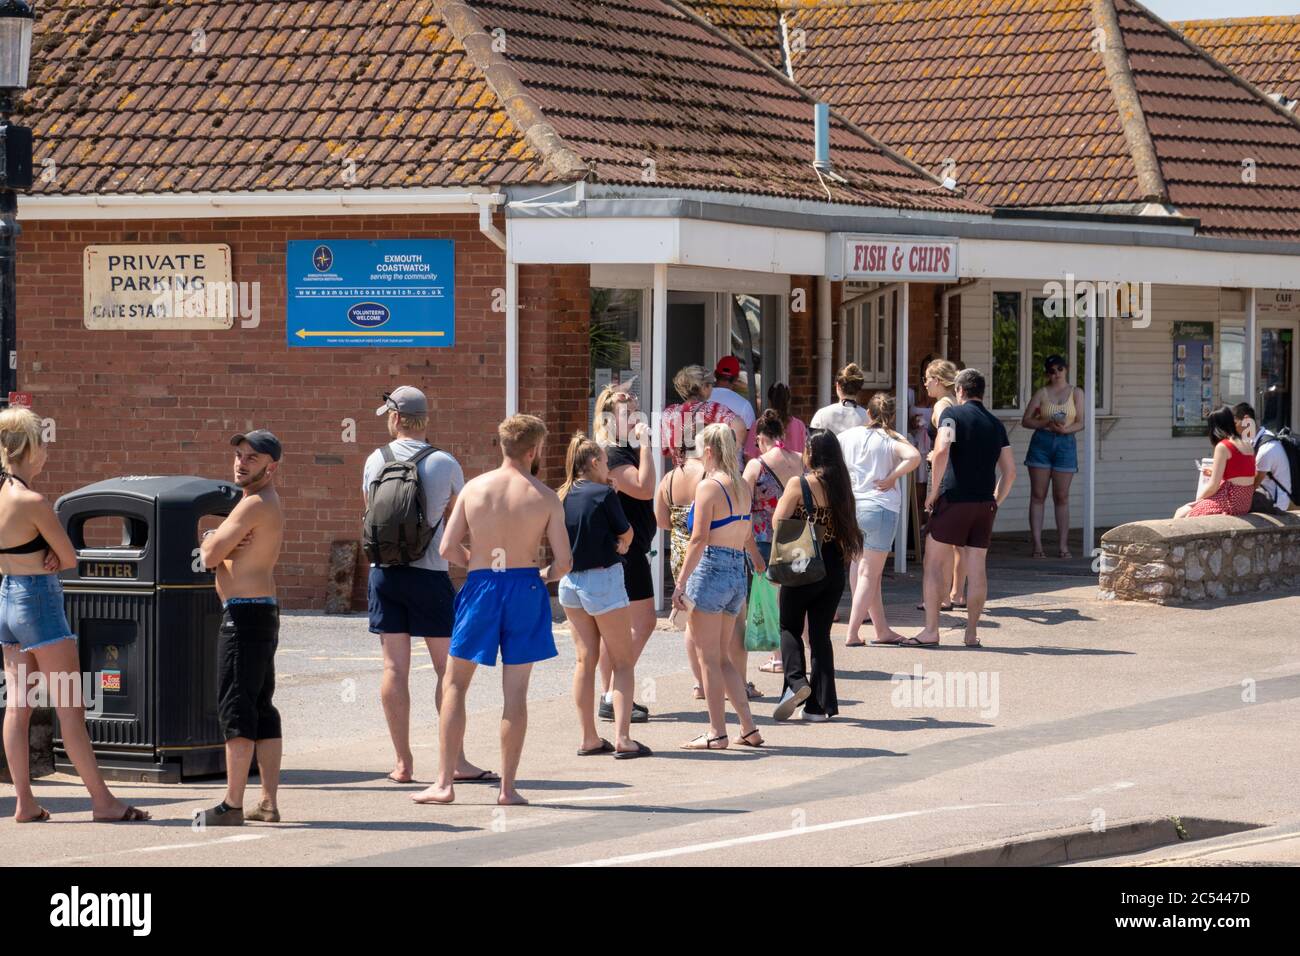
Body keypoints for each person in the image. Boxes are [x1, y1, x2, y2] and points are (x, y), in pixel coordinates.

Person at [0, 408, 150, 825]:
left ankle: (25, 802)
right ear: (27, 449)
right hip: (39, 601)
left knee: (18, 707)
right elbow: (68, 556)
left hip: (7, 598)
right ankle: (103, 802)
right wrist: (50, 554)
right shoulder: (32, 500)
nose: (46, 452)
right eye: (42, 444)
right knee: (71, 708)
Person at [412, 415, 572, 807]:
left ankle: (444, 783)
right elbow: (564, 563)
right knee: (515, 693)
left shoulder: (474, 489)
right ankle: (508, 788)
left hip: (483, 584)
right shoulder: (545, 496)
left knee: (454, 685)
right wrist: (541, 576)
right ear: (534, 450)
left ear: (502, 446)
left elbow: (447, 549)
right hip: (525, 586)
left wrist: (481, 564)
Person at [363, 387, 492, 785]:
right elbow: (465, 519)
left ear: (396, 418)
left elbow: (369, 512)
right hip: (430, 575)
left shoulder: (374, 460)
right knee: (447, 671)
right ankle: (456, 762)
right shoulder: (444, 462)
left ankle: (403, 763)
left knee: (393, 668)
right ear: (424, 419)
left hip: (384, 573)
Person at [198, 430, 286, 826]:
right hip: (260, 612)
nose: (241, 462)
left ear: (271, 467)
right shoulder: (262, 502)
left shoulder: (252, 505)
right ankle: (267, 803)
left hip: (244, 616)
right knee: (261, 709)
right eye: (238, 454)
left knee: (236, 708)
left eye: (252, 457)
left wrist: (213, 539)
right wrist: (222, 541)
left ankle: (232, 805)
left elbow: (211, 556)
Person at [556, 433, 651, 759]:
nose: (609, 465)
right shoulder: (603, 494)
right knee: (623, 662)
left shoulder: (562, 494)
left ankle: (588, 738)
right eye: (606, 461)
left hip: (570, 583)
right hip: (603, 579)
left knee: (585, 660)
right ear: (594, 462)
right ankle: (623, 738)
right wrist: (623, 544)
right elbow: (626, 531)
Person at [908, 369, 1016, 649]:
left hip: (955, 499)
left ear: (959, 390)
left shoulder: (951, 415)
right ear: (981, 391)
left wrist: (932, 492)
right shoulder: (996, 424)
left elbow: (942, 449)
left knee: (932, 563)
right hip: (984, 503)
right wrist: (996, 501)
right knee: (977, 568)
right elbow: (1011, 472)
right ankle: (971, 633)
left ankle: (931, 630)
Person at [672, 423, 765, 750]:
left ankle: (716, 731)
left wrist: (680, 583)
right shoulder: (741, 485)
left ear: (709, 451)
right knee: (724, 657)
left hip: (710, 568)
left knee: (708, 658)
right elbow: (747, 534)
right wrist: (757, 561)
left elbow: (698, 540)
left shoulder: (709, 487)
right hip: (736, 571)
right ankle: (748, 728)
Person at [771, 431, 864, 722]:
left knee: (789, 626)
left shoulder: (800, 484)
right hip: (834, 565)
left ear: (811, 453)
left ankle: (797, 684)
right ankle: (818, 707)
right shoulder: (842, 487)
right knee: (820, 635)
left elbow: (779, 521)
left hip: (803, 561)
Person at [591, 386, 656, 724]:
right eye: (627, 409)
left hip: (629, 548)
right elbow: (644, 488)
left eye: (636, 407)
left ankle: (609, 694)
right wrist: (646, 445)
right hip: (625, 550)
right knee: (644, 622)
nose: (635, 414)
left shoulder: (622, 449)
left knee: (617, 628)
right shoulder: (613, 455)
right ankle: (615, 691)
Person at [839, 394, 921, 647]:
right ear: (892, 416)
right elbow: (914, 456)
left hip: (854, 507)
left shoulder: (848, 436)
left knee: (859, 568)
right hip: (881, 507)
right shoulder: (892, 438)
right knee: (869, 573)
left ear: (868, 413)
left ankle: (881, 629)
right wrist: (893, 477)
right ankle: (852, 632)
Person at [743, 408, 805, 675]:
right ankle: (804, 654)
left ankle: (778, 657)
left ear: (760, 438)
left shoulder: (756, 465)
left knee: (769, 600)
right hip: (796, 534)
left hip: (763, 536)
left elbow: (742, 505)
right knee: (795, 599)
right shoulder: (802, 459)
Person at [655, 444, 708, 699]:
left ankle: (699, 682)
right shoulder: (707, 476)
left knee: (690, 620)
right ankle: (714, 679)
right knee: (710, 620)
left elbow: (661, 521)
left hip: (678, 551)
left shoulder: (669, 478)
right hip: (703, 551)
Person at [1021, 355, 1086, 558]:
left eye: (1059, 369)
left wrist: (1066, 430)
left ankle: (1063, 546)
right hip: (1042, 441)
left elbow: (1081, 422)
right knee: (1038, 495)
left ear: (1066, 369)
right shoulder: (1042, 392)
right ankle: (1037, 546)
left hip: (1065, 443)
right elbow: (1026, 420)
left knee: (1062, 496)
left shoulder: (1076, 392)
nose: (1056, 373)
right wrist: (1045, 423)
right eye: (1051, 370)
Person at [917, 359, 967, 612]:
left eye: (927, 378)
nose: (924, 383)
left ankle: (941, 597)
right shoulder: (958, 403)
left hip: (942, 475)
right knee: (958, 543)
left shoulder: (941, 406)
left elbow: (947, 442)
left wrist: (934, 455)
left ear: (937, 380)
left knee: (939, 541)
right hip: (958, 475)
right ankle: (955, 593)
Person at [1174, 407, 1256, 518]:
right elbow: (1239, 473)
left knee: (1181, 513)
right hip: (1244, 503)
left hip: (1229, 502)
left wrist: (1198, 500)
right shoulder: (1248, 445)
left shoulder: (1223, 446)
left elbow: (1213, 486)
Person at [661, 365, 747, 468]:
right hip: (706, 474)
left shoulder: (669, 413)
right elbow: (740, 426)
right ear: (704, 387)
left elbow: (666, 452)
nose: (712, 388)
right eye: (711, 385)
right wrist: (727, 455)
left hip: (681, 475)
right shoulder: (712, 409)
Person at [1235, 402, 1295, 511]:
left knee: (1234, 503)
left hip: (1276, 502)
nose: (1234, 428)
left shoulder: (1266, 448)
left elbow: (1252, 486)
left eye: (1235, 423)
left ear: (1246, 419)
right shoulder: (1256, 438)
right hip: (1264, 491)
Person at [744, 381, 807, 460]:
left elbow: (749, 455)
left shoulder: (760, 424)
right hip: (794, 471)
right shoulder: (799, 425)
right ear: (788, 400)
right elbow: (805, 456)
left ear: (769, 400)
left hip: (766, 470)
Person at [809, 363, 869, 434]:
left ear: (838, 386)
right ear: (859, 389)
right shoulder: (867, 418)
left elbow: (812, 442)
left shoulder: (822, 414)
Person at [710, 355, 757, 431]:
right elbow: (750, 440)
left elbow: (688, 438)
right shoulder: (744, 405)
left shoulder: (699, 399)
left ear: (715, 374)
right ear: (736, 378)